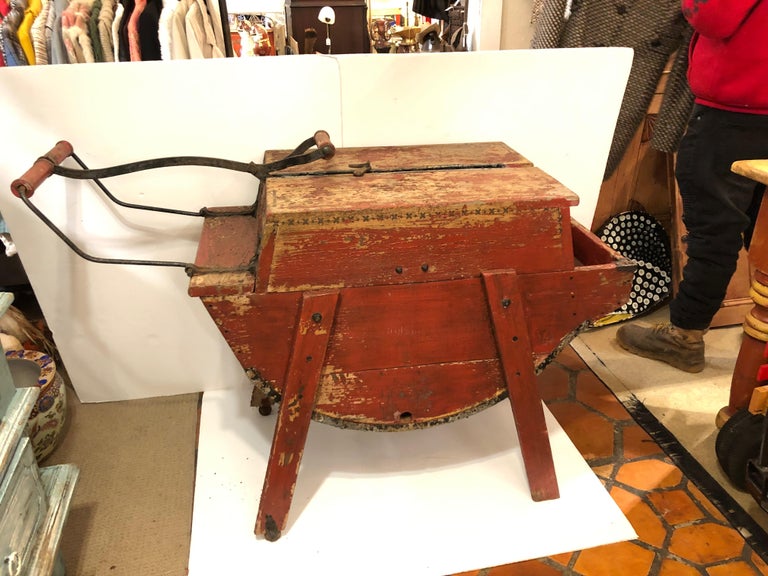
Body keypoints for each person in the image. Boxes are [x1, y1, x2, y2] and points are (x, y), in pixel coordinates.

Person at [616, 0, 768, 373]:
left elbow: (713, 15)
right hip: (749, 106)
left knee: (713, 233)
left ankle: (684, 336)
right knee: (766, 234)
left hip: (736, 111)